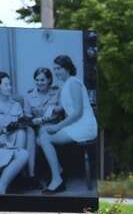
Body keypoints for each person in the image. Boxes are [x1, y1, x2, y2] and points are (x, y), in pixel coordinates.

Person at [37, 55, 98, 194]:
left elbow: (77, 112)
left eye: (59, 68)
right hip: (76, 124)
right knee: (43, 131)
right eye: (55, 69)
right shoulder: (65, 85)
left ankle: (57, 178)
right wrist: (51, 110)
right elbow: (65, 107)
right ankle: (58, 170)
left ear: (67, 68)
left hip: (84, 126)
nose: (56, 72)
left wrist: (58, 126)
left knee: (44, 138)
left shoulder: (74, 83)